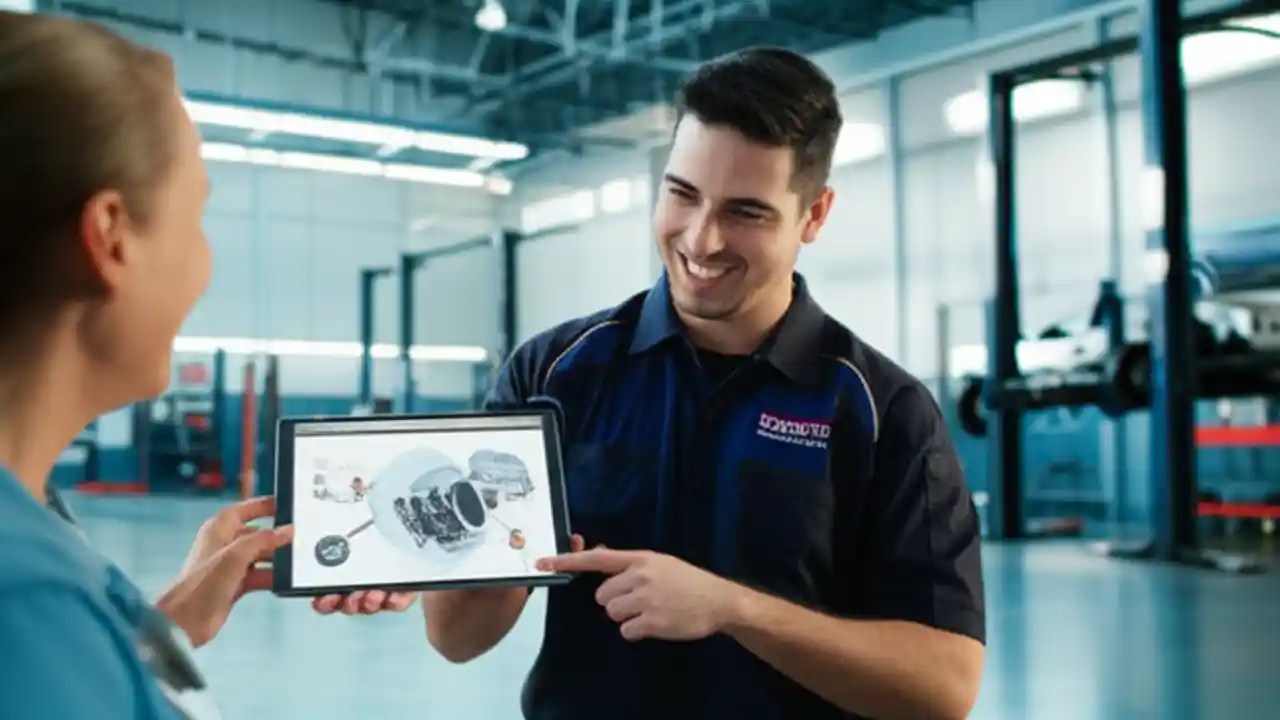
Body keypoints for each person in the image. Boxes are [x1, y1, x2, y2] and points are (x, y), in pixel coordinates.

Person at [415, 47, 988, 719]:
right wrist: (488, 562)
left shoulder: (883, 411)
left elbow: (942, 689)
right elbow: (454, 638)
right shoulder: (553, 374)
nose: (700, 239)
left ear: (815, 214)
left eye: (746, 212)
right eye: (682, 194)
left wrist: (731, 608)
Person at [0, 12, 406, 717]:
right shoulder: (24, 604)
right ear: (111, 237)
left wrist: (172, 619)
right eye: (194, 220)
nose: (203, 268)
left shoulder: (37, 529)